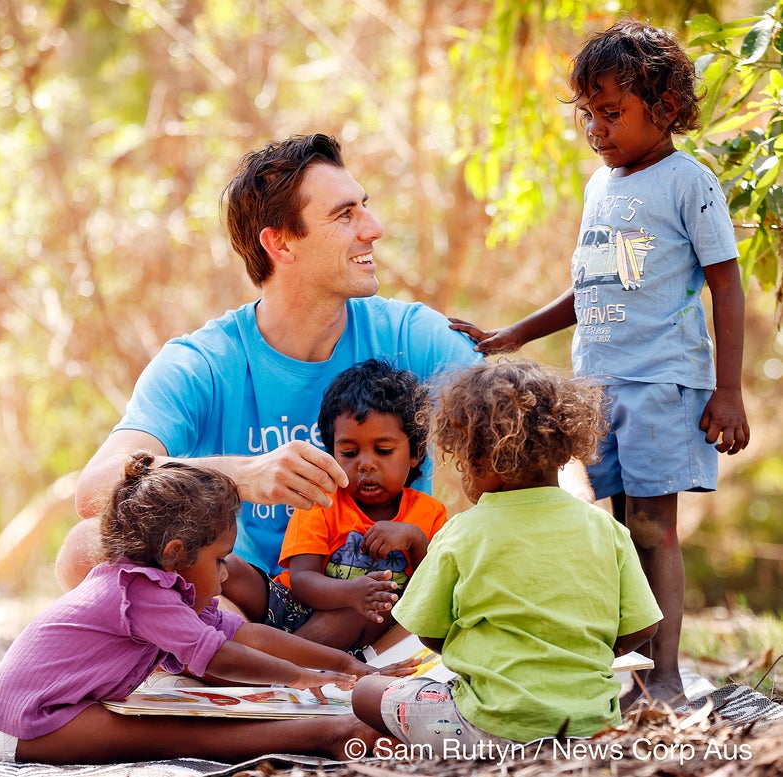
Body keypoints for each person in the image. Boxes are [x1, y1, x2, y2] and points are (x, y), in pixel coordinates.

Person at [448, 20, 750, 707]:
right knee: (610, 530)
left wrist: (728, 390)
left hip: (662, 381)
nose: (595, 129)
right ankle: (624, 674)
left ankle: (664, 676)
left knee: (653, 526)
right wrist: (515, 334)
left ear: (665, 108)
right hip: (597, 387)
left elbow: (727, 285)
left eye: (611, 113)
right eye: (588, 113)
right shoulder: (600, 188)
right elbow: (591, 289)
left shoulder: (690, 182)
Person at [60, 133, 482, 592]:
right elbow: (95, 488)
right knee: (86, 547)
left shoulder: (410, 334)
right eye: (345, 214)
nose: (373, 228)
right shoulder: (202, 363)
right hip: (249, 600)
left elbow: (517, 416)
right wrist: (242, 474)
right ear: (280, 244)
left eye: (364, 207)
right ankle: (234, 638)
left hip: (391, 600)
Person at [0, 452, 396, 765]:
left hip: (47, 713)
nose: (225, 575)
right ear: (175, 553)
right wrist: (301, 677)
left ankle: (328, 731)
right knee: (185, 736)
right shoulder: (140, 591)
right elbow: (221, 656)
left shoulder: (165, 587)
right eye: (219, 560)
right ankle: (328, 734)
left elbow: (249, 634)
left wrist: (347, 666)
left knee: (187, 727)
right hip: (30, 724)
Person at [351, 359, 663, 746]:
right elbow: (643, 627)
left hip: (484, 725)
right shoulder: (607, 529)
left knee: (365, 693)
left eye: (464, 462)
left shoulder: (462, 532)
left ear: (482, 463)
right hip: (590, 724)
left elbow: (429, 631)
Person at [222, 359, 447, 654]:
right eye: (349, 452)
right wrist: (351, 592)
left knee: (366, 609)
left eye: (383, 450)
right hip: (292, 608)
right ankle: (262, 648)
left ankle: (272, 660)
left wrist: (415, 540)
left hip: (357, 624)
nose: (365, 464)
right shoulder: (320, 500)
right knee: (228, 566)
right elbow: (302, 581)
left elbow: (433, 593)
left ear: (415, 452)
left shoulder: (430, 513)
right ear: (332, 454)